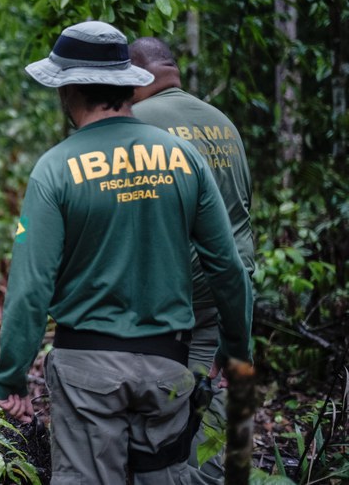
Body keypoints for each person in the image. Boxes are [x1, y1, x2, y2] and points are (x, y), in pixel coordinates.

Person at [0, 21, 253, 484]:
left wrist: (11, 378)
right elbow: (228, 267)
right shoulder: (183, 158)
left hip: (84, 374)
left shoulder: (54, 170)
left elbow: (32, 287)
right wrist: (235, 349)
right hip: (168, 368)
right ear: (126, 86)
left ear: (68, 89)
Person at [129, 37, 255, 484]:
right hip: (229, 292)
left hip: (172, 298)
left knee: (158, 427)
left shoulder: (135, 123)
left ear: (136, 75)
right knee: (216, 403)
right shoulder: (223, 123)